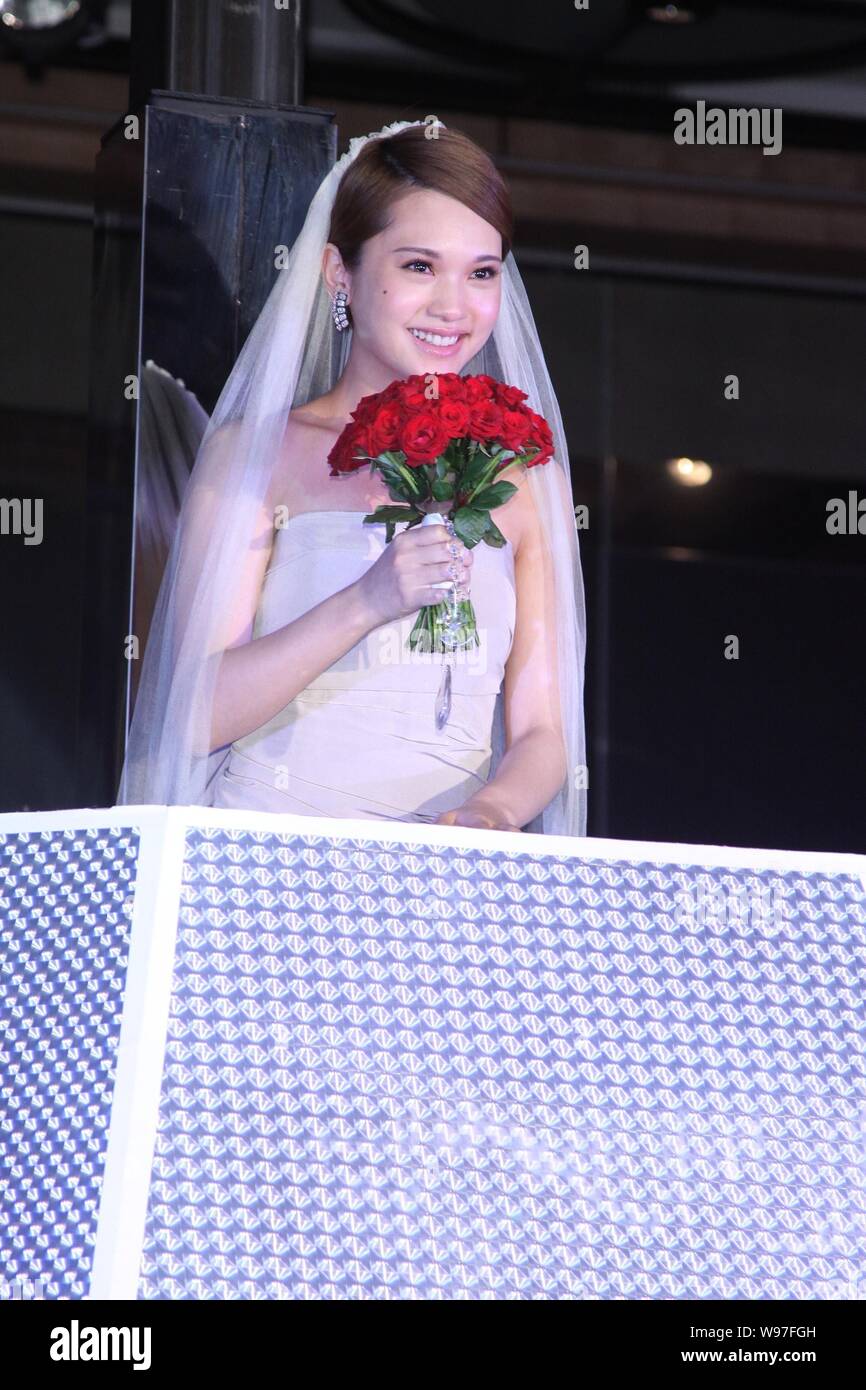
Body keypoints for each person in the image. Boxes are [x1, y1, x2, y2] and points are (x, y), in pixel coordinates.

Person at [117, 118, 588, 837]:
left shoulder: (527, 478)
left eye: (482, 273)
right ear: (341, 271)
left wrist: (491, 813)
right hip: (267, 858)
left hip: (443, 870)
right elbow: (192, 714)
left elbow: (544, 732)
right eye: (419, 267)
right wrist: (367, 600)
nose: (453, 308)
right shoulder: (259, 454)